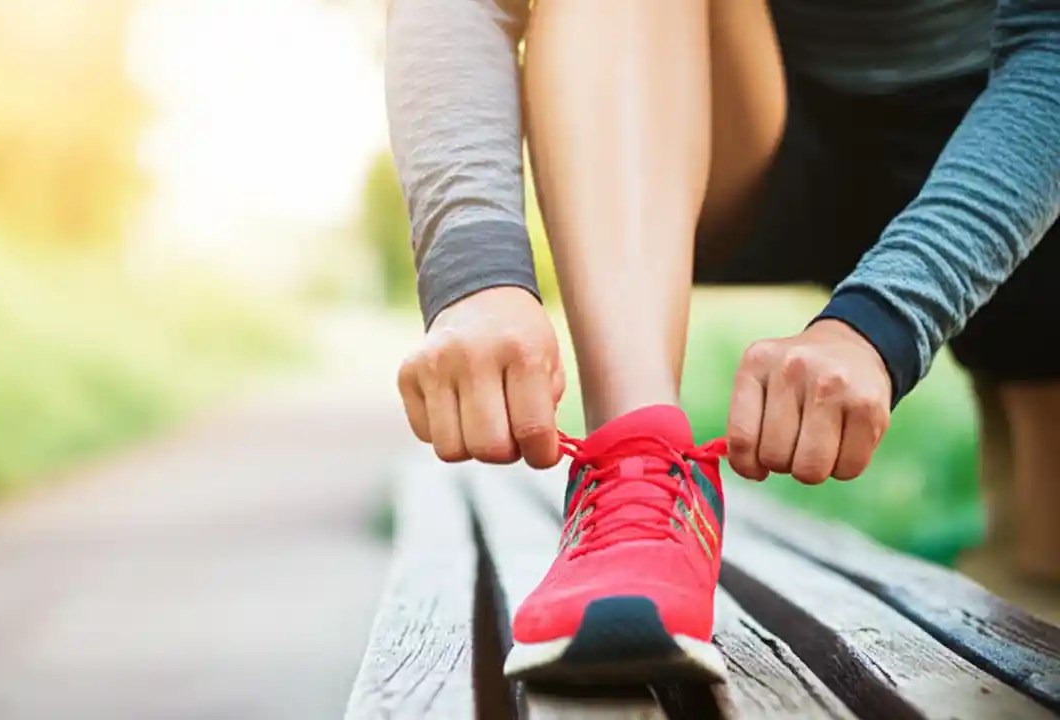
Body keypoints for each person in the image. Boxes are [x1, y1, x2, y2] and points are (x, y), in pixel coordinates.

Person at [385, 0, 1060, 684]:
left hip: (1016, 132)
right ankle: (635, 482)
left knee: (1039, 598)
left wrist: (885, 319)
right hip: (739, 114)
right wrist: (475, 276)